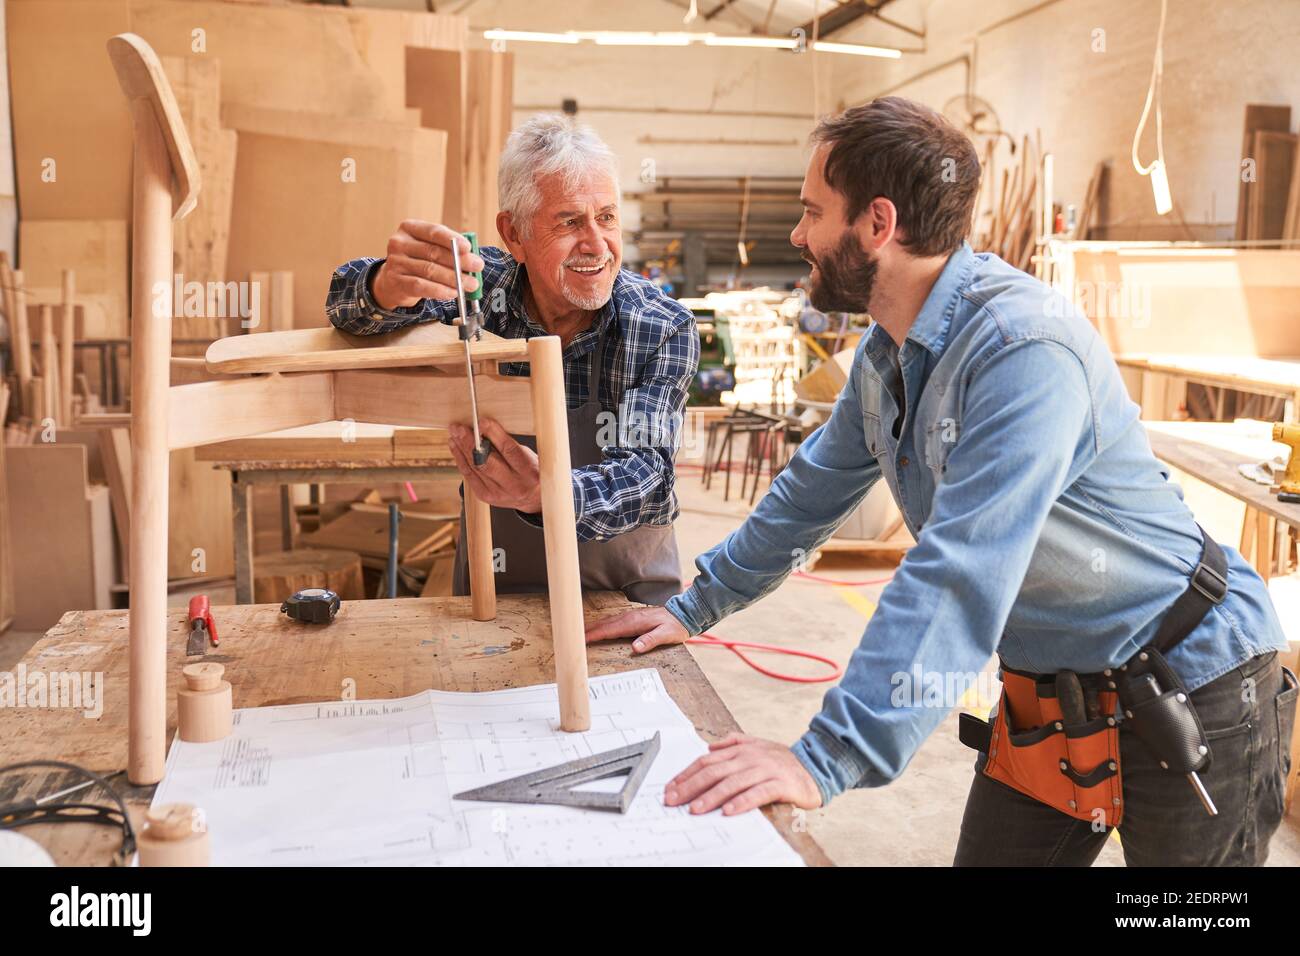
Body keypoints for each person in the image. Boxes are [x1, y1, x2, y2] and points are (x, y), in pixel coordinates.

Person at [587, 96, 1296, 866]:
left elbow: (960, 573)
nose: (797, 236)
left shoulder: (1021, 351)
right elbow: (809, 495)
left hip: (1193, 679)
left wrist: (823, 758)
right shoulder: (889, 352)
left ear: (877, 225)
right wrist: (696, 606)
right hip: (1051, 697)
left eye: (811, 212)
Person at [326, 115, 699, 605]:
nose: (596, 244)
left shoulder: (660, 326)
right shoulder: (478, 294)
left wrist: (543, 493)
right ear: (514, 233)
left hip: (627, 595)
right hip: (495, 587)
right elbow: (345, 309)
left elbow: (649, 477)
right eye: (569, 222)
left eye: (606, 217)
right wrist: (386, 288)